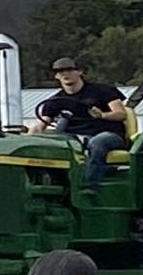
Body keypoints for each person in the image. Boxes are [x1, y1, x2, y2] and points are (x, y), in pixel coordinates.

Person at [35, 57, 128, 195]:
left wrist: (102, 115)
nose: (65, 74)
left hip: (107, 134)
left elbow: (121, 114)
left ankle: (89, 186)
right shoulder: (55, 101)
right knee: (54, 142)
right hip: (74, 138)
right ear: (56, 76)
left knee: (97, 142)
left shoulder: (103, 91)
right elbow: (40, 125)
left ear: (79, 72)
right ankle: (55, 185)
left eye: (69, 70)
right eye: (60, 71)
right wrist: (29, 137)